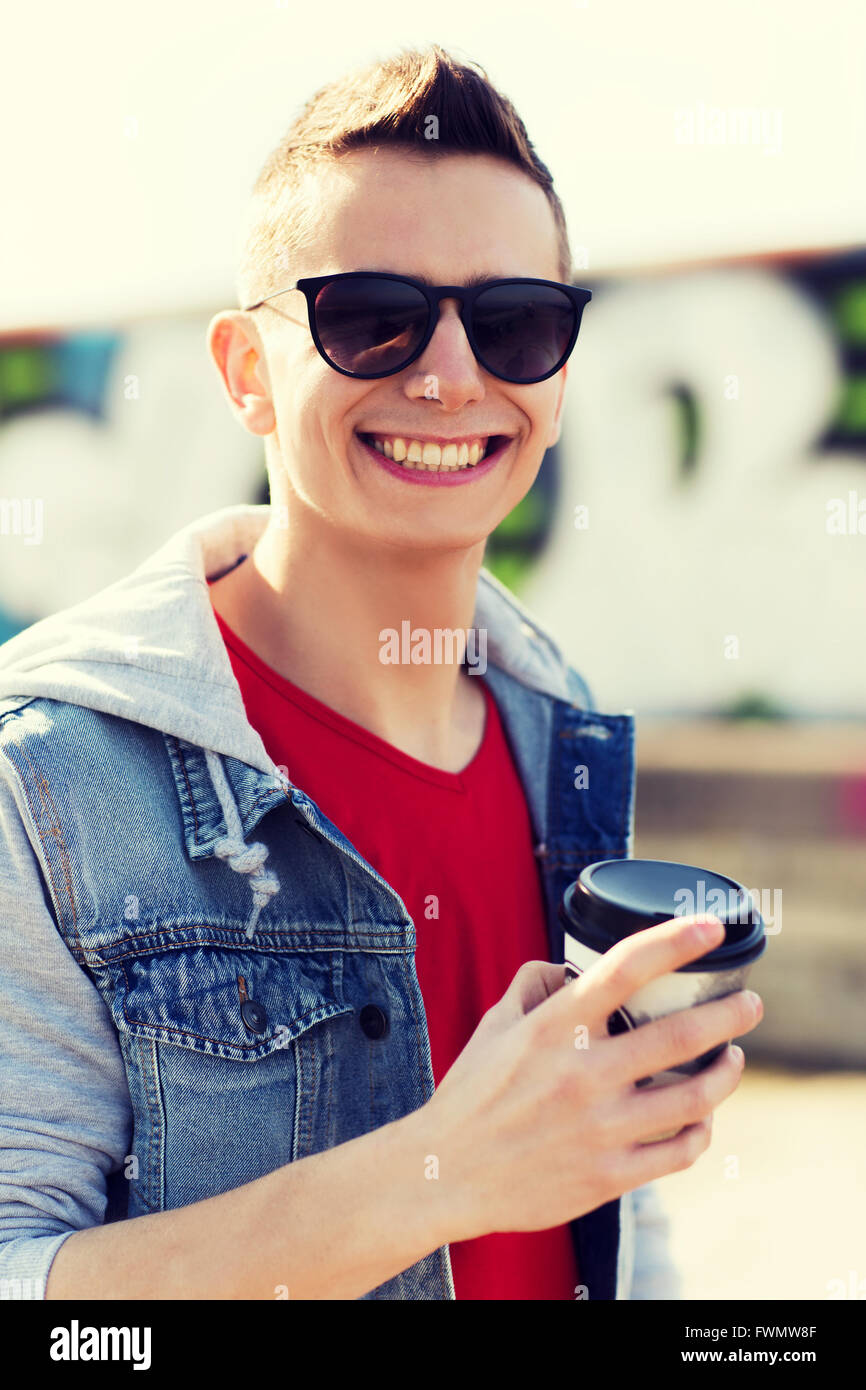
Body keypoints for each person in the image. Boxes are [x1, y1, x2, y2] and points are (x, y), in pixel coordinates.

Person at [0, 44, 761, 1301]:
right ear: (247, 371)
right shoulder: (50, 786)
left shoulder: (559, 738)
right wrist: (438, 1175)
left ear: (560, 377)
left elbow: (610, 1221)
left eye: (512, 321)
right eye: (368, 317)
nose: (448, 374)